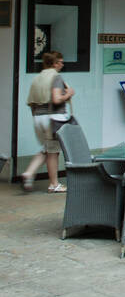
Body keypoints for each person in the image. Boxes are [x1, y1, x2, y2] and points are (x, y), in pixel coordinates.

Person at [21, 49, 74, 193]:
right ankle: (54, 184)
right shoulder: (56, 77)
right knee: (53, 151)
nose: (62, 65)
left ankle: (29, 173)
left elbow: (31, 102)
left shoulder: (38, 77)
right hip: (54, 117)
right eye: (61, 62)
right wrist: (69, 93)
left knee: (48, 148)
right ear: (55, 63)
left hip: (38, 116)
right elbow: (57, 99)